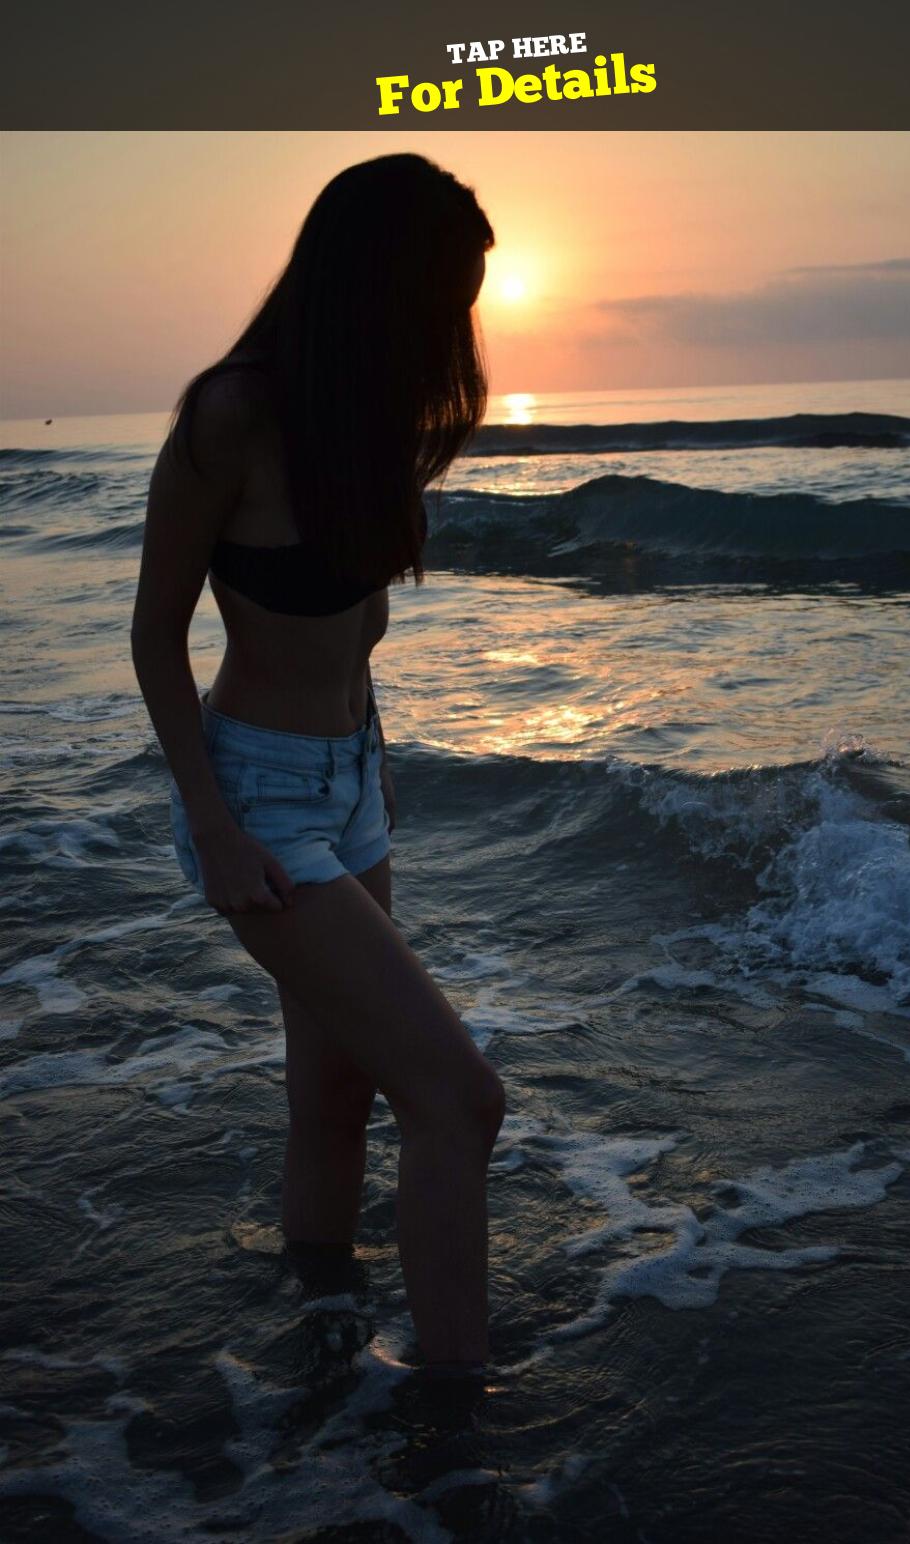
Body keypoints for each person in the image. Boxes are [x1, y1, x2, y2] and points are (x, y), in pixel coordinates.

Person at [131, 154, 505, 1381]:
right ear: (378, 280)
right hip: (255, 796)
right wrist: (215, 825)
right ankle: (454, 1411)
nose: (457, 326)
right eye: (445, 294)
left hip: (350, 786)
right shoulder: (231, 415)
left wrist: (374, 763)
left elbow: (357, 631)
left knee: (334, 1096)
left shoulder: (369, 417)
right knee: (459, 1098)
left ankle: (323, 1338)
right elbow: (155, 635)